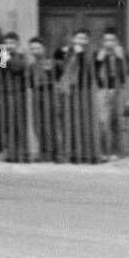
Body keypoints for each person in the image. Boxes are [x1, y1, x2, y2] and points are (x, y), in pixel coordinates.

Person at [57, 29, 97, 163]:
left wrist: (80, 55)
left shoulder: (90, 54)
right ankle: (66, 153)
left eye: (84, 38)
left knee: (81, 122)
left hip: (83, 92)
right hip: (67, 91)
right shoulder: (65, 52)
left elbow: (90, 71)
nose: (81, 41)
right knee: (66, 122)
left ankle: (81, 153)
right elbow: (57, 62)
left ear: (88, 41)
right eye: (78, 38)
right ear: (73, 39)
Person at [94, 28, 129, 159]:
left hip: (118, 91)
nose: (109, 43)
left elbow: (127, 74)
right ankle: (104, 152)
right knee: (103, 122)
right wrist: (99, 61)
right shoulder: (98, 54)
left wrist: (121, 58)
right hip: (103, 91)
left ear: (116, 41)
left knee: (117, 121)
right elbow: (93, 75)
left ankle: (116, 152)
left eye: (112, 40)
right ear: (103, 42)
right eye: (106, 40)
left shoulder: (121, 54)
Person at [0, 31, 29, 162]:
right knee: (6, 123)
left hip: (18, 94)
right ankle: (9, 152)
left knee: (18, 123)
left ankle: (20, 153)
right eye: (7, 42)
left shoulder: (20, 56)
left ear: (17, 44)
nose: (9, 45)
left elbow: (16, 67)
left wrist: (5, 55)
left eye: (12, 43)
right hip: (4, 93)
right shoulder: (1, 55)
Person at [27, 37, 60, 161]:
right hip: (36, 95)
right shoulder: (31, 65)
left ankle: (53, 152)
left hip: (48, 94)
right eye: (33, 48)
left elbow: (56, 78)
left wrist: (49, 71)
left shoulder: (50, 62)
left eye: (38, 48)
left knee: (49, 123)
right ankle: (43, 151)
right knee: (37, 123)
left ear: (43, 49)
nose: (35, 51)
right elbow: (30, 82)